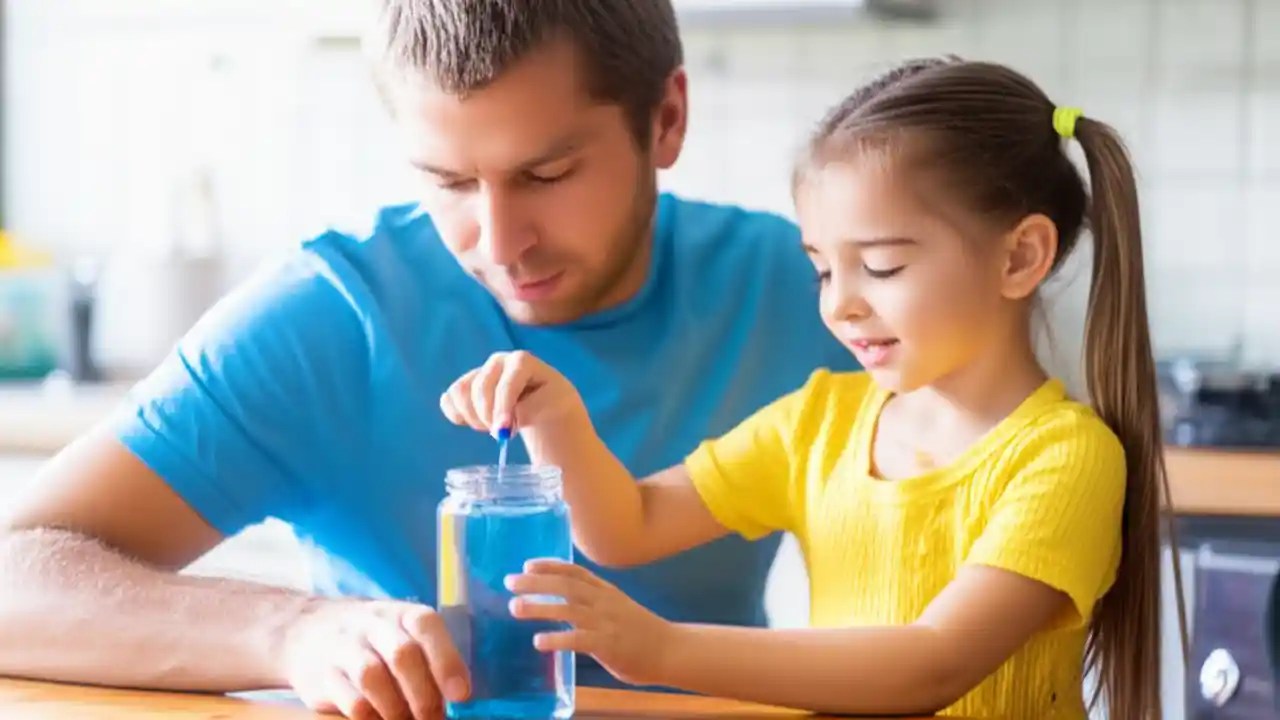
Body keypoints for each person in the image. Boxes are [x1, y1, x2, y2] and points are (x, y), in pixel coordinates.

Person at [0, 2, 855, 719]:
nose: (498, 243)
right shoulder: (334, 317)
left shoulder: (815, 295)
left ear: (666, 119)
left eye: (548, 173)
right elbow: (16, 581)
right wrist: (293, 633)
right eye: (447, 181)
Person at [442, 57, 1184, 719]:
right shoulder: (821, 421)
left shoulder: (1066, 459)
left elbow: (931, 665)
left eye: (882, 267)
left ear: (1021, 257)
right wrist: (557, 415)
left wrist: (662, 650)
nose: (840, 304)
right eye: (824, 269)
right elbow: (627, 525)